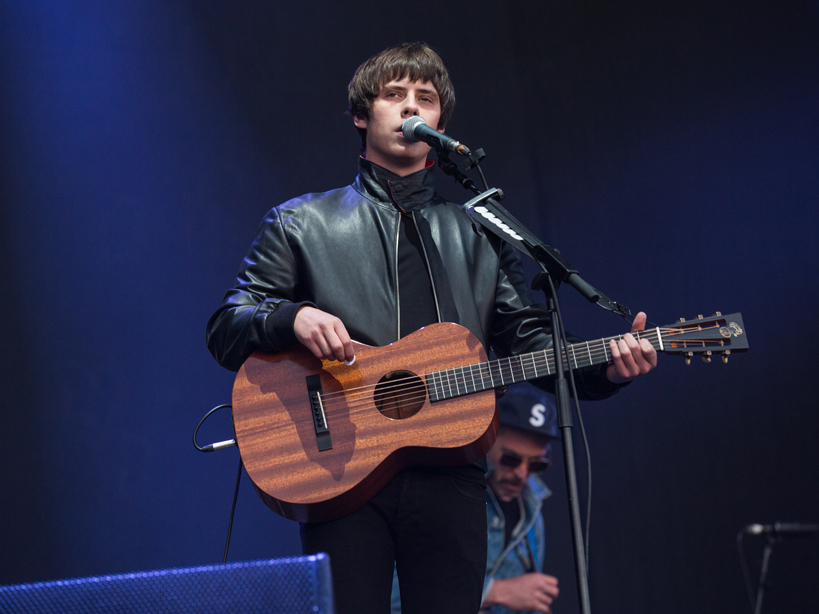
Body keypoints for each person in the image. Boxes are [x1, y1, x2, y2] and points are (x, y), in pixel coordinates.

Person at [206, 42, 657, 614]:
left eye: (426, 98)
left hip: (454, 472)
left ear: (440, 124)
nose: (410, 107)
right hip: (341, 466)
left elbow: (531, 343)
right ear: (362, 115)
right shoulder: (301, 222)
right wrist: (292, 317)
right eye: (394, 94)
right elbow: (227, 325)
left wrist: (607, 370)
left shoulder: (483, 232)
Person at [390, 386, 563, 614]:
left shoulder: (531, 511)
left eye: (536, 464)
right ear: (487, 439)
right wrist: (498, 592)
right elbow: (394, 595)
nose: (522, 474)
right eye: (511, 459)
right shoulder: (445, 492)